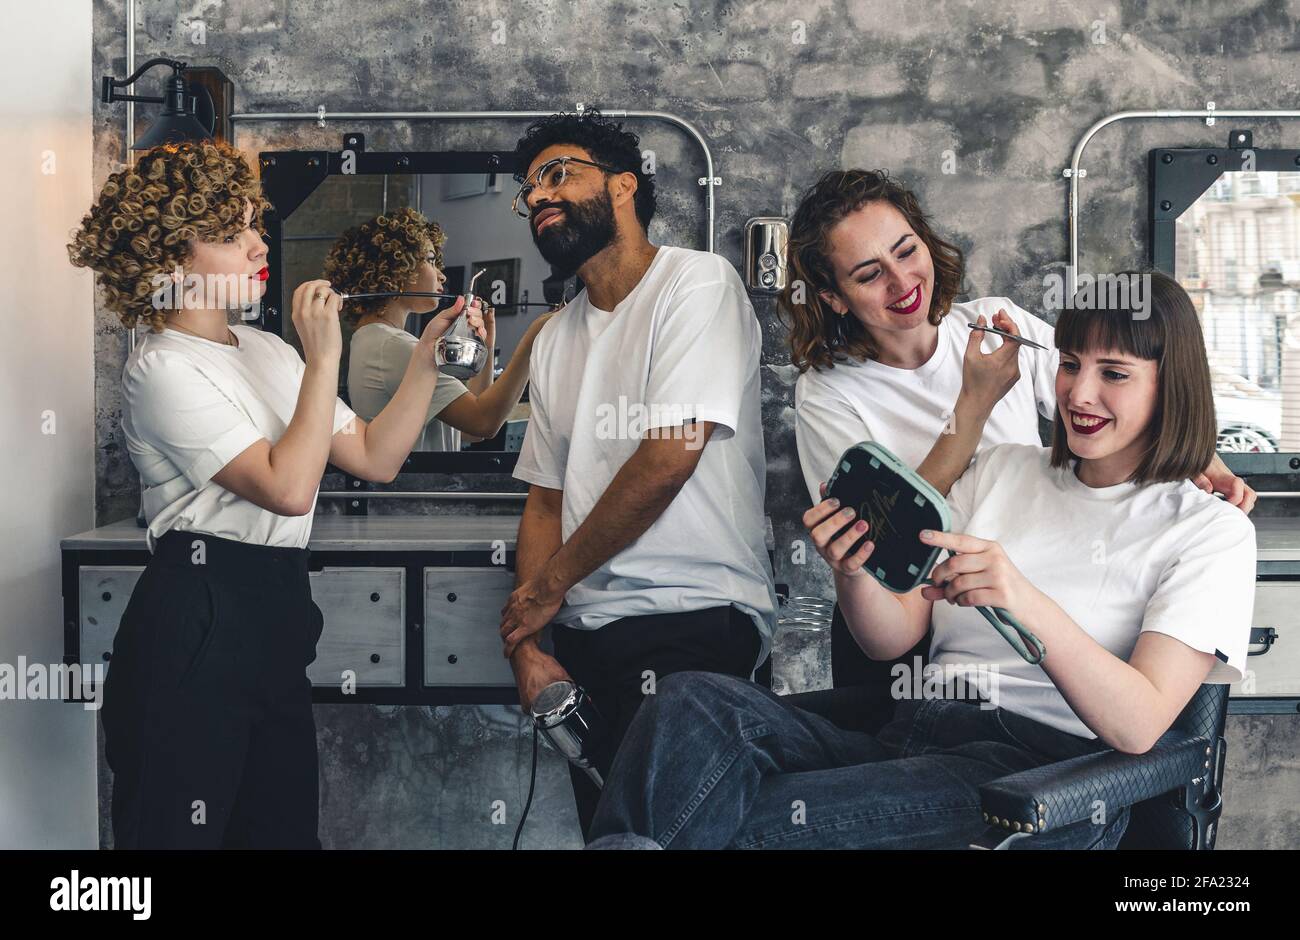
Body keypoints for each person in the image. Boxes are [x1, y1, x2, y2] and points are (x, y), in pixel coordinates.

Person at [588, 270, 1256, 849]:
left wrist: (1020, 598)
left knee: (738, 822)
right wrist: (852, 570)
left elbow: (1138, 725)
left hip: (1039, 786)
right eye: (1071, 363)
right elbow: (893, 638)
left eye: (1113, 374)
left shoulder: (1208, 532)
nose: (1080, 393)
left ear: (1171, 386)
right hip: (914, 736)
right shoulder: (999, 469)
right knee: (692, 702)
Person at [67, 140, 484, 848]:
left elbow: (376, 458)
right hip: (196, 616)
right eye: (233, 234)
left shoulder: (270, 352)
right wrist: (327, 358)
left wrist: (424, 357)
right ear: (171, 261)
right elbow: (289, 489)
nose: (260, 241)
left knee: (282, 836)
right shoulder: (161, 368)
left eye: (253, 223)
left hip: (278, 613)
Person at [783, 169, 1254, 690]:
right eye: (869, 274)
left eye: (906, 251)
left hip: (1021, 595)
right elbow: (880, 536)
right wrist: (974, 405)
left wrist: (1200, 454)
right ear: (833, 298)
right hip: (899, 605)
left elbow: (1112, 384)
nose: (902, 282)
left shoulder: (992, 323)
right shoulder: (828, 393)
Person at [497, 110, 778, 838]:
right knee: (613, 835)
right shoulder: (556, 338)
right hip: (588, 639)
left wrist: (548, 589)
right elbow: (544, 499)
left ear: (624, 186)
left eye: (558, 174)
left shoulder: (697, 284)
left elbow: (668, 458)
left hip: (695, 623)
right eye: (529, 188)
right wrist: (530, 649)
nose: (539, 197)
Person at [325, 208, 552, 451]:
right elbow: (483, 421)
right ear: (397, 269)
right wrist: (536, 337)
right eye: (431, 260)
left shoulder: (373, 341)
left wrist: (484, 343)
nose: (441, 276)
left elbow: (470, 431)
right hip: (422, 486)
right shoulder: (392, 346)